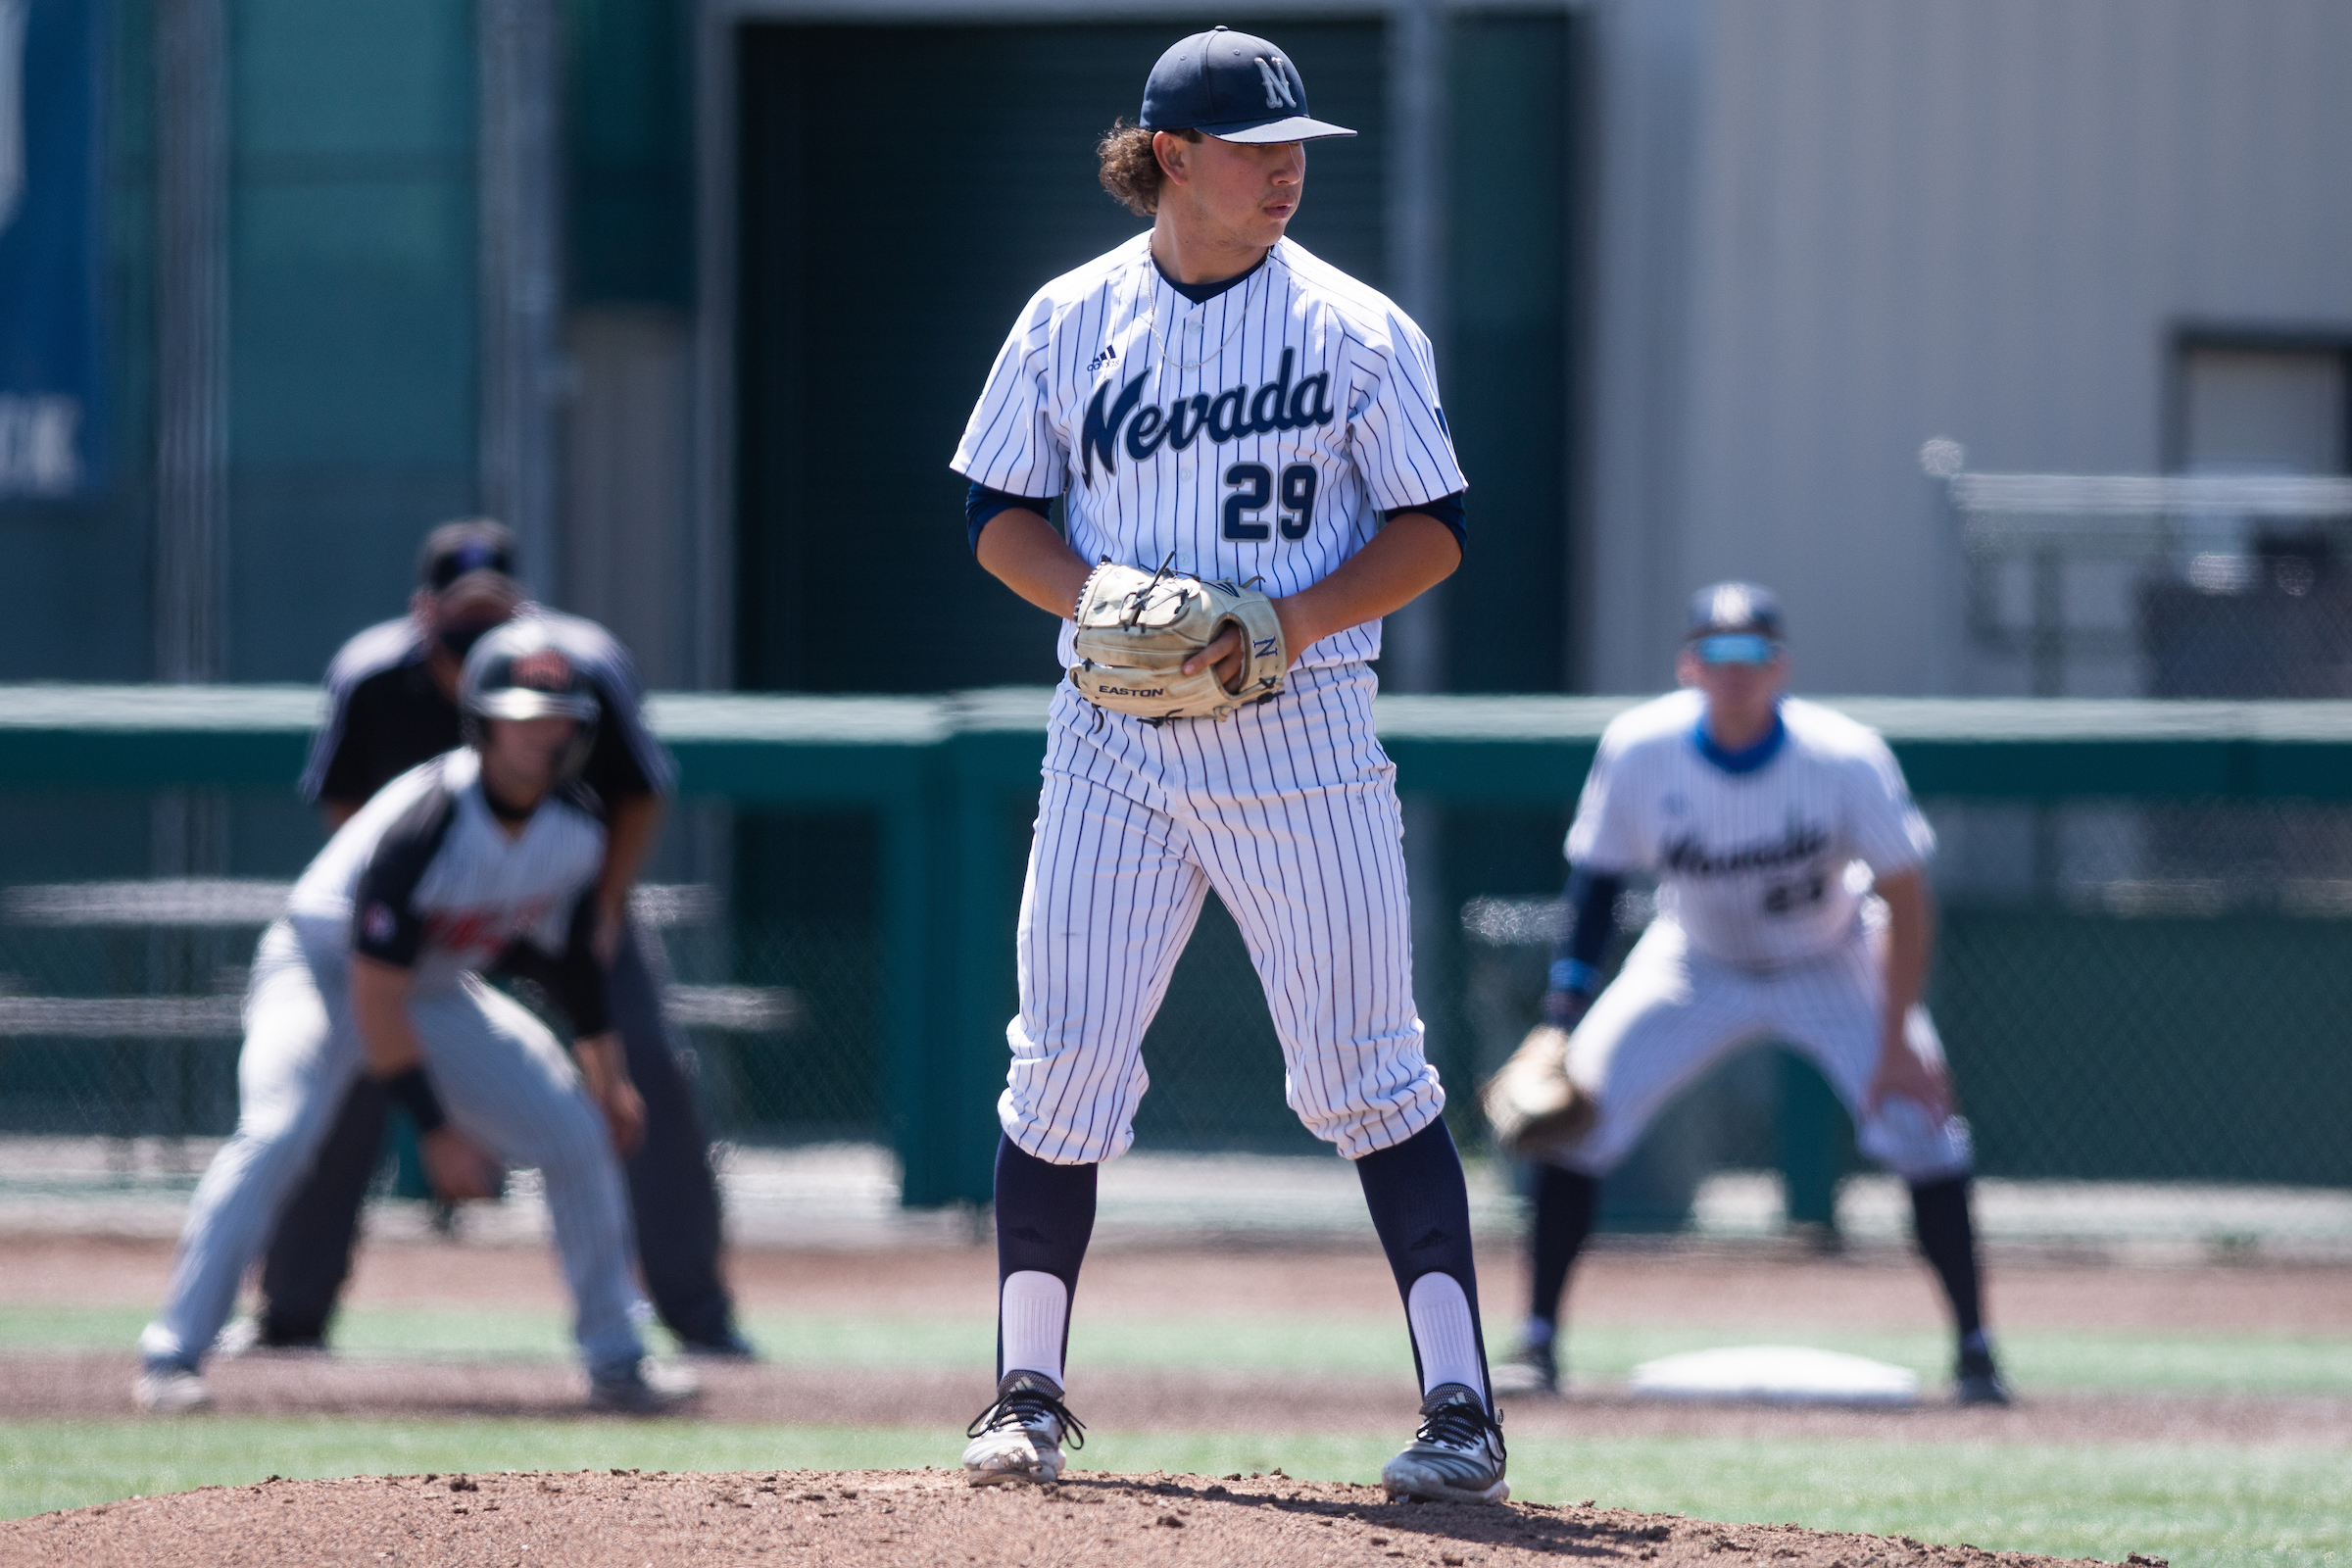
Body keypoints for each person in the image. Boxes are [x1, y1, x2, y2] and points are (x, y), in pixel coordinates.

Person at [947, 27, 1505, 1503]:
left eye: (1300, 150)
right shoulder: (1070, 320)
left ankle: (1461, 1408)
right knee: (1059, 1065)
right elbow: (999, 516)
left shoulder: (1357, 329)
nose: (1288, 172)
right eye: (1261, 148)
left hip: (1301, 740)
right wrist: (1099, 604)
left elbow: (1435, 526)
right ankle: (1025, 1393)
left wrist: (1285, 622)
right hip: (1114, 742)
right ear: (1172, 157)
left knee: (1367, 1073)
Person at [223, 519, 752, 1360]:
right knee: (354, 1057)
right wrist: (400, 929)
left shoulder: (574, 670)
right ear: (421, 614)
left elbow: (640, 793)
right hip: (423, 917)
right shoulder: (373, 677)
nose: (479, 638)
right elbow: (348, 819)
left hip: (556, 896)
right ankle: (290, 1315)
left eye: (496, 618)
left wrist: (604, 907)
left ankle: (697, 1315)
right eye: (461, 622)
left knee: (643, 1069)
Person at [136, 622, 696, 1414]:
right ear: (483, 721)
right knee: (277, 1133)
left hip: (431, 987)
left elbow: (571, 963)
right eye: (525, 716)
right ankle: (171, 1356)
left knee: (576, 1130)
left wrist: (610, 1079)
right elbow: (371, 994)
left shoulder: (576, 827)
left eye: (560, 717)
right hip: (321, 973)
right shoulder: (429, 818)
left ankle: (617, 1359)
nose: (546, 734)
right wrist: (437, 1129)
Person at [1488, 582, 2009, 1406]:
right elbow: (1595, 883)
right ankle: (1539, 1341)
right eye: (1718, 656)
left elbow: (1907, 898)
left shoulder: (1843, 758)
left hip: (1831, 959)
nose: (1735, 673)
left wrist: (1900, 1025)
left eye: (1753, 657)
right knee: (1572, 1120)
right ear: (1688, 665)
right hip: (1693, 957)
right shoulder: (1640, 748)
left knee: (1926, 1126)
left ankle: (1977, 1352)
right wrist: (1563, 1016)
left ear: (1781, 669)